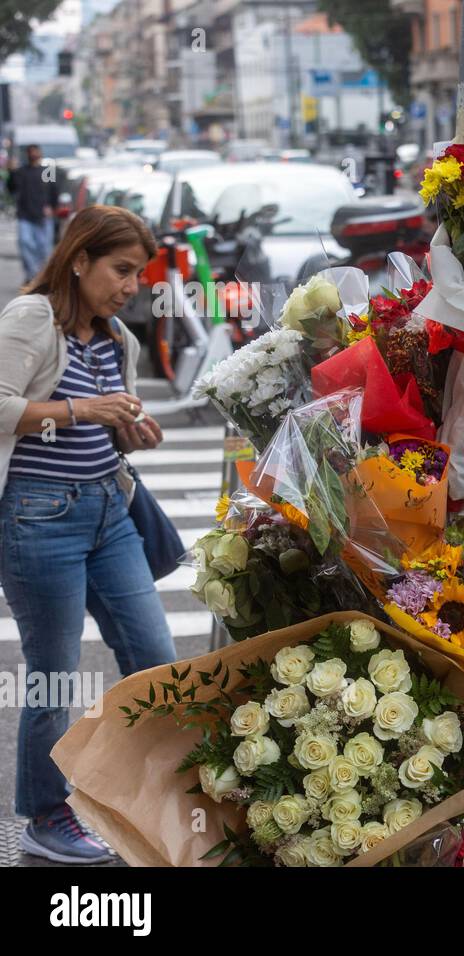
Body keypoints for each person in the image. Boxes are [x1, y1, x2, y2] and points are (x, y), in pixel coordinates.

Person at [0, 204, 175, 864]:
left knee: (155, 661)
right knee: (53, 676)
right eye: (121, 270)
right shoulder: (31, 318)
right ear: (80, 260)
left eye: (139, 274)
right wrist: (82, 410)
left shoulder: (117, 339)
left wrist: (129, 430)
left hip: (110, 513)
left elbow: (106, 423)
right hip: (38, 518)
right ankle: (47, 818)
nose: (132, 286)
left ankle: (145, 797)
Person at [8, 145, 59, 283]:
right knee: (25, 243)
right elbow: (12, 188)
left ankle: (42, 276)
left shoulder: (48, 170)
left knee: (44, 248)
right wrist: (11, 172)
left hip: (43, 216)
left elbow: (54, 191)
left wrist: (51, 207)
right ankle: (33, 275)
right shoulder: (21, 171)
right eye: (32, 152)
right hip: (25, 215)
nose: (34, 154)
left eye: (36, 151)